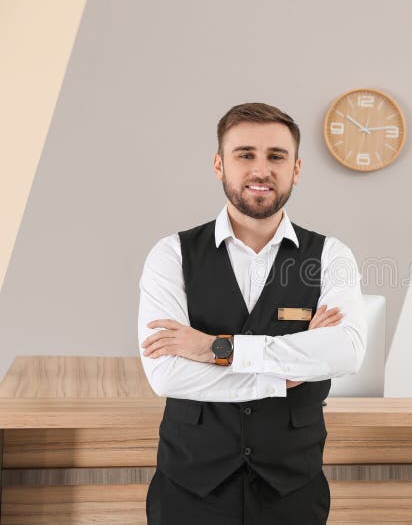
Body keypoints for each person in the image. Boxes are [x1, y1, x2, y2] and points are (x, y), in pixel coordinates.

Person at [138, 102, 366, 524]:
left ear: (296, 169)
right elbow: (167, 374)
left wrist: (214, 349)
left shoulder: (331, 256)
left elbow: (345, 352)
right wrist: (285, 374)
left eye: (276, 156)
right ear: (219, 165)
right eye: (245, 154)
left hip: (292, 491)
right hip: (189, 489)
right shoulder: (171, 255)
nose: (261, 170)